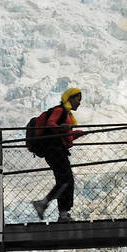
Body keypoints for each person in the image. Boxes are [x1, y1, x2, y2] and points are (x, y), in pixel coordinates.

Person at [32, 87, 86, 223]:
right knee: (66, 180)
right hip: (54, 150)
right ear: (70, 98)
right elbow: (51, 124)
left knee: (65, 181)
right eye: (78, 100)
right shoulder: (60, 110)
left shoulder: (67, 115)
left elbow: (65, 137)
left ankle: (61, 213)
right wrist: (62, 129)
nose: (79, 103)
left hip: (57, 150)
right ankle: (47, 205)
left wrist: (75, 134)